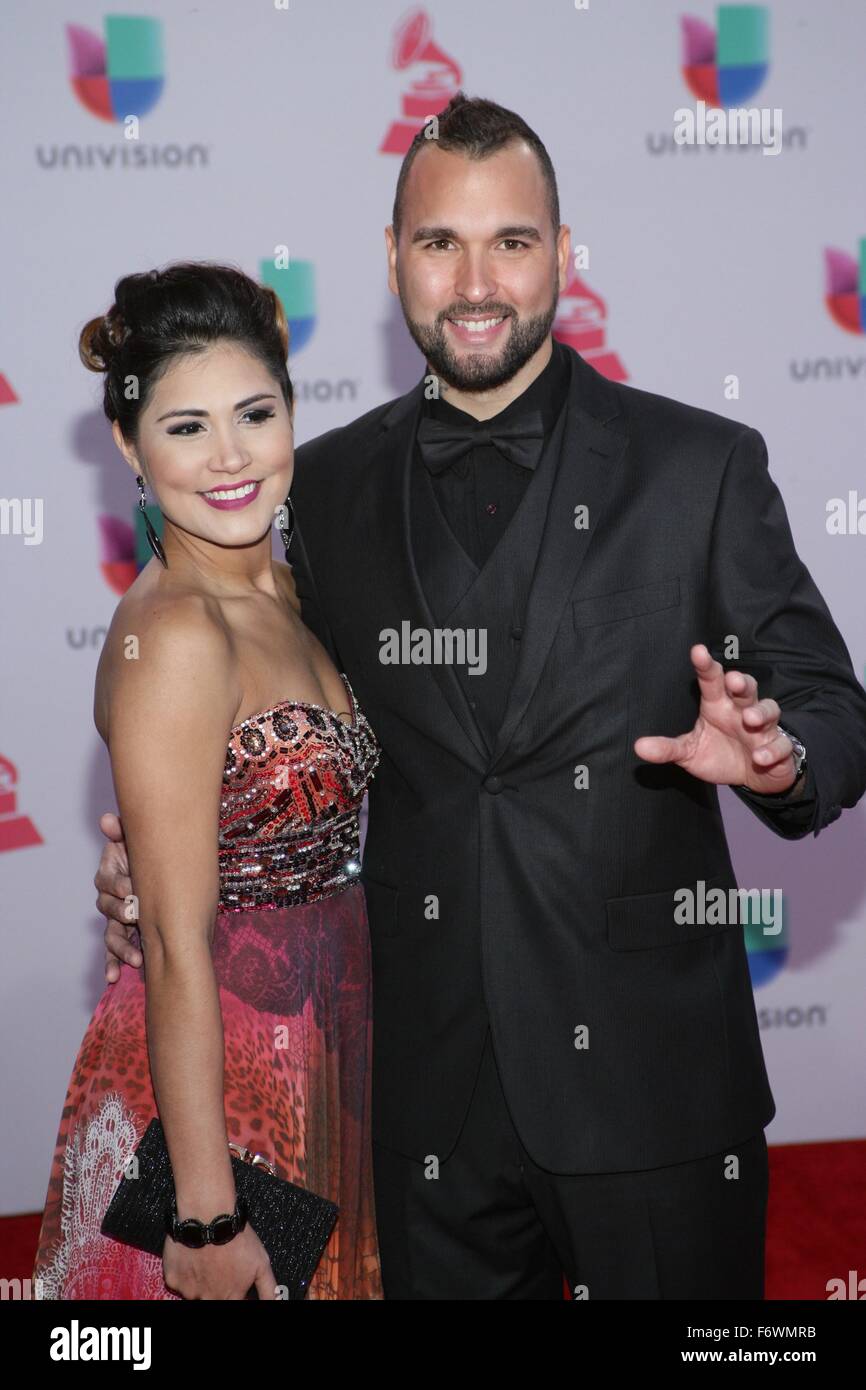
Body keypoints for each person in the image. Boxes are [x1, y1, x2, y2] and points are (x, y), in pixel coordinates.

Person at [95, 95, 866, 1300]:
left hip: (652, 1092)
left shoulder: (697, 468)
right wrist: (168, 854)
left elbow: (830, 703)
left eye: (510, 240)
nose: (473, 280)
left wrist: (780, 760)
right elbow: (272, 720)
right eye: (437, 242)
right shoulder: (328, 488)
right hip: (413, 1093)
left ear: (564, 256)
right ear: (389, 258)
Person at [34, 263, 383, 1300]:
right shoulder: (177, 631)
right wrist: (204, 1212)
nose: (229, 457)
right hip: (216, 1081)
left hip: (321, 1039)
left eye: (254, 414)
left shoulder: (284, 583)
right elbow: (177, 944)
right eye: (185, 427)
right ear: (129, 445)